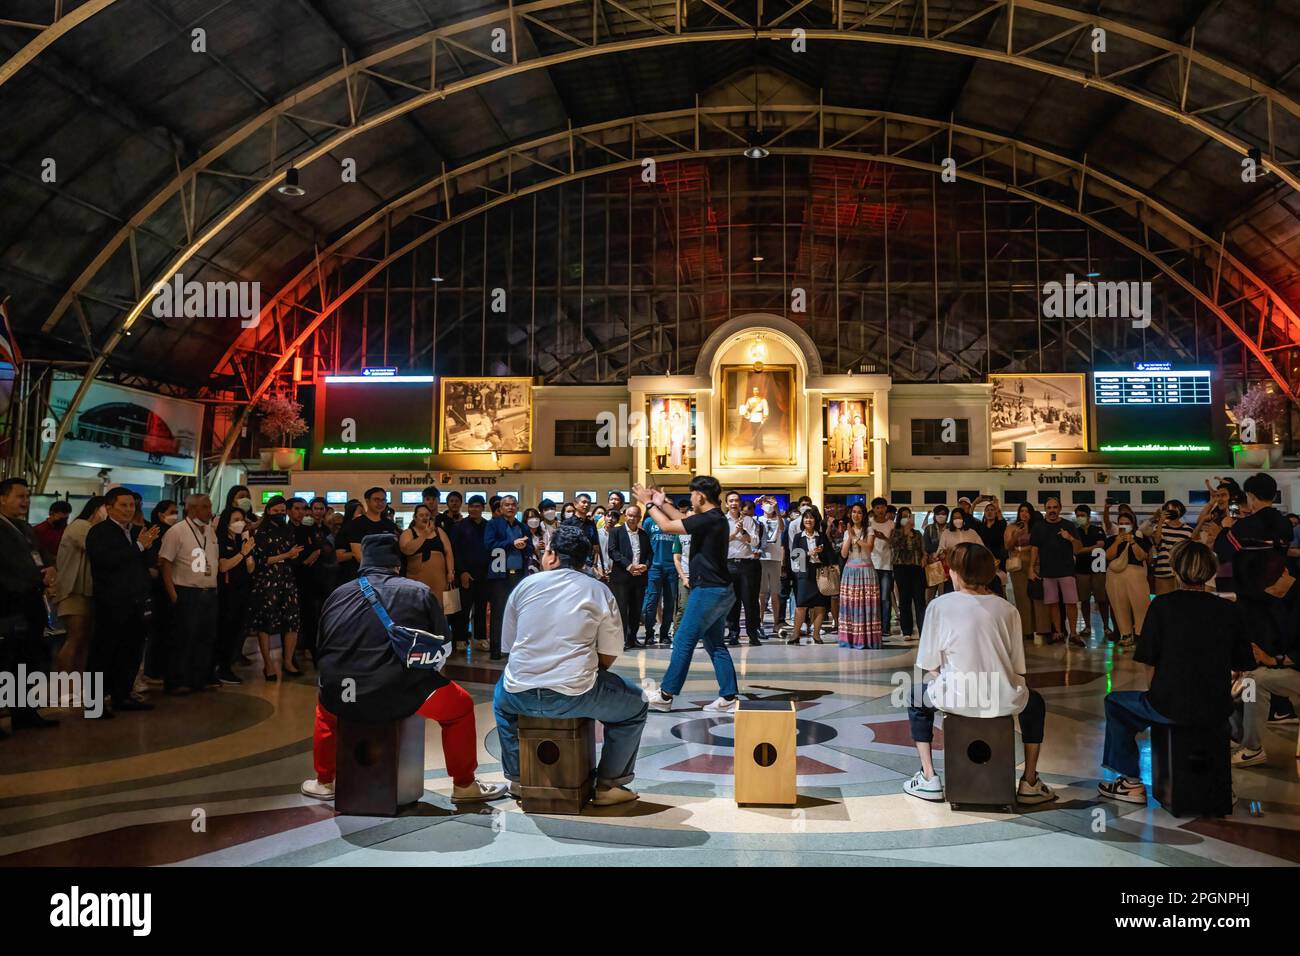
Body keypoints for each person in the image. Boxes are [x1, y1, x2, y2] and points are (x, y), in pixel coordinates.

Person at [302, 534, 507, 804]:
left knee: (326, 713)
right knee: (459, 707)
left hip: (341, 690)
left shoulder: (338, 594)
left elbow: (322, 644)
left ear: (364, 560)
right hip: (401, 689)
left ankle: (324, 780)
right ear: (396, 563)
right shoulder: (417, 591)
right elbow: (443, 644)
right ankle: (464, 784)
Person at [493, 523, 648, 805]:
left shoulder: (525, 586)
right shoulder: (598, 590)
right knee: (636, 705)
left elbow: (510, 647)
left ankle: (518, 778)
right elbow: (610, 654)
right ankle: (609, 785)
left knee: (500, 703)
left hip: (519, 694)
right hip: (577, 693)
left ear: (551, 555)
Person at [1098, 541, 1253, 804]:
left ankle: (1130, 782)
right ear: (1211, 571)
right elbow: (1242, 665)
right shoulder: (1230, 610)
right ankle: (1221, 782)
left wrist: (1157, 695)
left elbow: (1149, 661)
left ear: (1176, 571)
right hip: (1216, 706)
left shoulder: (1162, 606)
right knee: (1224, 711)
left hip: (1169, 703)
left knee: (1115, 704)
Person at [903, 543, 1056, 805]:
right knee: (1035, 704)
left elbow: (930, 664)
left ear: (956, 573)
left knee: (916, 698)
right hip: (1003, 699)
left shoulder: (939, 606)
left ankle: (928, 778)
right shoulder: (1007, 609)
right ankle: (1030, 781)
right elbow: (1018, 667)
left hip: (956, 698)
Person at [636, 477, 741, 714]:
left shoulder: (710, 519)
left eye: (692, 494)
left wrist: (649, 504)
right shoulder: (714, 518)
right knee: (715, 644)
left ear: (700, 497)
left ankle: (665, 695)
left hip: (709, 591)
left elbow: (666, 526)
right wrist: (662, 504)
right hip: (721, 589)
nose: (690, 498)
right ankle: (729, 697)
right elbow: (683, 519)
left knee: (683, 640)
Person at [86, 487, 161, 714]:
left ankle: (122, 694)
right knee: (105, 652)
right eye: (123, 505)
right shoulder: (100, 532)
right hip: (111, 603)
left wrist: (145, 549)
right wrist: (139, 546)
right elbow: (107, 561)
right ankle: (95, 703)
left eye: (132, 505)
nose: (129, 510)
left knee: (131, 651)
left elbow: (146, 562)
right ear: (109, 507)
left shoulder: (138, 531)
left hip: (137, 602)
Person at [0, 478, 60, 731]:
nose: (25, 501)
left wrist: (49, 570)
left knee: (27, 660)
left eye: (27, 496)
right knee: (5, 663)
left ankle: (25, 712)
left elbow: (41, 556)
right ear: (2, 498)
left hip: (31, 602)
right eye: (19, 496)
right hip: (7, 605)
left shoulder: (24, 528)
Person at [1231, 547, 1300, 767]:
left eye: (1270, 586)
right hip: (1290, 670)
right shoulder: (1284, 599)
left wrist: (1275, 660)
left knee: (1253, 680)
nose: (1268, 592)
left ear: (1285, 573)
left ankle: (1251, 746)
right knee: (1248, 679)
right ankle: (1242, 738)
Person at [157, 493, 220, 694]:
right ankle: (176, 680)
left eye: (209, 506)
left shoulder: (210, 531)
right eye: (205, 507)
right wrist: (173, 594)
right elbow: (165, 562)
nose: (209, 510)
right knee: (183, 638)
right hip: (186, 591)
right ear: (192, 508)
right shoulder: (177, 531)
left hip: (208, 591)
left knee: (205, 637)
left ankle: (198, 678)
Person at [250, 495, 304, 680]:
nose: (280, 515)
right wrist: (287, 554)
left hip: (287, 579)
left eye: (282, 511)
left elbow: (290, 553)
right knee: (266, 621)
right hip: (267, 580)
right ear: (268, 511)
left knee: (292, 620)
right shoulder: (261, 532)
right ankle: (268, 664)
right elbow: (260, 560)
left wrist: (293, 555)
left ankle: (288, 661)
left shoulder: (287, 530)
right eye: (276, 511)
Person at [53, 496, 106, 678]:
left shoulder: (90, 528)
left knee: (84, 640)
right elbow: (97, 549)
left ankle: (77, 681)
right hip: (73, 590)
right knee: (75, 638)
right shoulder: (80, 527)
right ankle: (63, 683)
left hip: (85, 591)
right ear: (97, 508)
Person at [483, 493, 532, 660]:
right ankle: (496, 650)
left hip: (519, 574)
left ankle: (515, 649)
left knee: (519, 612)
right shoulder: (493, 525)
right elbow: (489, 545)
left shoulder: (522, 527)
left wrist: (525, 546)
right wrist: (511, 543)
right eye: (507, 505)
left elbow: (529, 547)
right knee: (498, 613)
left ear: (517, 508)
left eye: (513, 505)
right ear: (501, 508)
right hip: (500, 576)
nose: (510, 507)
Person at [1028, 497, 1083, 643]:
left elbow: (1078, 549)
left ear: (1060, 508)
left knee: (1071, 603)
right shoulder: (1038, 527)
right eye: (1049, 507)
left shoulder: (1069, 525)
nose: (1052, 510)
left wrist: (1070, 538)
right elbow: (1034, 548)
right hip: (1047, 572)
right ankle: (1058, 632)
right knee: (1053, 603)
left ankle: (1073, 633)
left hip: (1067, 571)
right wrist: (1031, 568)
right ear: (1045, 509)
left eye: (1055, 507)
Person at [214, 505, 256, 685]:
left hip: (242, 590)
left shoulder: (241, 540)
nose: (239, 523)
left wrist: (247, 552)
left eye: (242, 520)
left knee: (237, 630)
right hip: (227, 592)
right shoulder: (221, 540)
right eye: (235, 520)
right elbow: (223, 566)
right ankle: (221, 667)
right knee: (226, 630)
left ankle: (228, 664)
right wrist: (242, 553)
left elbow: (250, 567)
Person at [140, 499, 178, 687]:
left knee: (165, 629)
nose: (175, 515)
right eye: (172, 511)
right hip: (159, 587)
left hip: (165, 584)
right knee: (159, 629)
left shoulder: (170, 531)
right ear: (162, 514)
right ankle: (153, 670)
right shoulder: (158, 532)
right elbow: (156, 559)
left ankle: (160, 668)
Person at [1104, 508, 1151, 649]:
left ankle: (1140, 634)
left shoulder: (1141, 539)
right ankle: (1125, 634)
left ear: (1133, 524)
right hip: (1115, 576)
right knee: (1118, 605)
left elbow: (1142, 556)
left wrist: (1132, 542)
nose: (1124, 525)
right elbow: (1108, 556)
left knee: (1140, 604)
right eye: (1121, 523)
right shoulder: (1112, 539)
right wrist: (1117, 542)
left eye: (1127, 523)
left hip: (1135, 575)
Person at [607, 503, 651, 649]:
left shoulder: (644, 534)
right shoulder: (616, 532)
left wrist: (645, 565)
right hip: (621, 577)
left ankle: (633, 638)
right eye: (630, 515)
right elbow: (613, 551)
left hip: (639, 577)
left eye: (635, 516)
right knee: (621, 609)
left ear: (639, 518)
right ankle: (622, 639)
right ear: (625, 516)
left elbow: (650, 553)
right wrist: (629, 566)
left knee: (636, 609)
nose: (632, 518)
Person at [837, 503, 881, 649]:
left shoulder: (869, 530)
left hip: (866, 571)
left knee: (866, 606)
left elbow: (868, 549)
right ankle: (850, 639)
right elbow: (843, 554)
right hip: (850, 571)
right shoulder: (847, 532)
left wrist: (855, 537)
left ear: (864, 515)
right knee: (851, 606)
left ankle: (866, 639)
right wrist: (849, 536)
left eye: (859, 512)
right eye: (854, 512)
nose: (856, 515)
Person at [451, 494, 490, 652]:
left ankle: (480, 638)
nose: (474, 509)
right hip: (466, 574)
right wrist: (462, 572)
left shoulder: (488, 526)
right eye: (471, 506)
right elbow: (455, 551)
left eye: (477, 506)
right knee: (464, 608)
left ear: (482, 508)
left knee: (481, 608)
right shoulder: (459, 526)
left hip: (484, 574)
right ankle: (460, 639)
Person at [287, 497, 323, 669]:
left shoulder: (307, 530)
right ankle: (290, 655)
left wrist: (306, 560)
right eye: (297, 508)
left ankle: (314, 652)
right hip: (289, 579)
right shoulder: (284, 530)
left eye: (303, 509)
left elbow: (317, 549)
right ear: (289, 510)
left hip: (308, 579)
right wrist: (301, 561)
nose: (300, 512)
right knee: (290, 621)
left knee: (310, 618)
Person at [723, 491, 763, 646]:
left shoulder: (749, 520)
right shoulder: (722, 521)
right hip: (729, 564)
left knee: (750, 601)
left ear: (740, 503)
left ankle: (753, 634)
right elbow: (719, 542)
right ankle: (733, 634)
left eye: (736, 501)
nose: (734, 503)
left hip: (747, 564)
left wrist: (744, 532)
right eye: (731, 501)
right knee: (732, 602)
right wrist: (735, 533)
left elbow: (755, 542)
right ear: (726, 504)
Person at [788, 506, 832, 645]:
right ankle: (796, 634)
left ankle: (816, 634)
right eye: (806, 517)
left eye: (811, 517)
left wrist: (820, 553)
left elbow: (830, 556)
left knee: (820, 605)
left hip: (820, 573)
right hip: (804, 573)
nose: (808, 520)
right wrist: (808, 553)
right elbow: (795, 557)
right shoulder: (798, 537)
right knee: (801, 605)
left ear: (815, 520)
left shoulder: (822, 536)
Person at [1005, 503, 1047, 639]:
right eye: (1022, 511)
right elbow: (1007, 546)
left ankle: (1042, 628)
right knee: (1021, 596)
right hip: (1018, 565)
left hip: (1036, 563)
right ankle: (1026, 630)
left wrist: (1022, 548)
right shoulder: (1012, 527)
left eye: (1027, 511)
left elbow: (1040, 544)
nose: (1024, 514)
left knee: (1038, 596)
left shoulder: (1037, 527)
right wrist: (1016, 535)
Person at [400, 503, 455, 607]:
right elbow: (407, 550)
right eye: (421, 515)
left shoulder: (439, 531)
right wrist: (425, 534)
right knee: (419, 611)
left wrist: (450, 571)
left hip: (439, 580)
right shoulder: (408, 533)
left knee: (439, 611)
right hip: (417, 580)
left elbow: (448, 552)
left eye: (427, 515)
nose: (424, 518)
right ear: (415, 517)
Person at [640, 501, 679, 647]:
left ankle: (664, 634)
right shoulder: (649, 521)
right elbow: (643, 543)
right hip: (654, 567)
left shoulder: (675, 523)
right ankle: (649, 633)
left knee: (669, 603)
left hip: (672, 568)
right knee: (651, 603)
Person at [1070, 505, 1108, 641]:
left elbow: (1101, 545)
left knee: (1102, 599)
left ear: (1088, 516)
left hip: (1098, 569)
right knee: (1084, 600)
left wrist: (1083, 549)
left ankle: (1106, 626)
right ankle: (1087, 626)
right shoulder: (1075, 532)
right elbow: (1076, 551)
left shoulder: (1098, 530)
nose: (1080, 518)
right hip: (1081, 571)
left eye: (1082, 515)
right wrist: (1091, 548)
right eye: (1078, 515)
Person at [890, 506, 926, 642]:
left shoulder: (917, 534)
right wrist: (904, 532)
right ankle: (906, 630)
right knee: (904, 600)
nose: (907, 519)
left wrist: (924, 558)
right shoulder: (895, 532)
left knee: (919, 600)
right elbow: (894, 546)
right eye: (904, 516)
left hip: (917, 568)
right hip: (901, 568)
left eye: (908, 516)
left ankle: (923, 630)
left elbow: (923, 549)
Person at [1147, 500, 1194, 598]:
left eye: (1174, 509)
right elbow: (1157, 542)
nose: (1171, 511)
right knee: (1163, 602)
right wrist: (1160, 521)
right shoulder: (1160, 527)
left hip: (1181, 572)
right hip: (1162, 570)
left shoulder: (1188, 530)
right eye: (1168, 509)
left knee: (1180, 602)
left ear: (1180, 510)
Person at [755, 495, 785, 636]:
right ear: (761, 506)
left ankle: (775, 623)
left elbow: (782, 527)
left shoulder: (779, 519)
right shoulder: (758, 520)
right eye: (766, 503)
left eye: (770, 503)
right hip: (761, 558)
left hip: (775, 559)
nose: (768, 505)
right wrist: (756, 504)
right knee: (761, 593)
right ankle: (759, 622)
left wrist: (777, 508)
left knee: (775, 593)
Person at [347, 487, 399, 565]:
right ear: (367, 501)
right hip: (367, 570)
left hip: (387, 570)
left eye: (383, 500)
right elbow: (358, 554)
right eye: (376, 500)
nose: (380, 503)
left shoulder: (389, 524)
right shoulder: (357, 524)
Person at [866, 497, 895, 636]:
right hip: (870, 564)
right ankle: (872, 626)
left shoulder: (891, 524)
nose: (880, 510)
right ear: (873, 509)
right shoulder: (869, 525)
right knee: (871, 598)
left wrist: (884, 537)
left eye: (882, 507)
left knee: (884, 598)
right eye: (877, 507)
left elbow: (896, 544)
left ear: (886, 508)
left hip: (886, 565)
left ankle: (885, 627)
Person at [936, 506, 982, 594]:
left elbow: (981, 547)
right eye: (954, 518)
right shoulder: (946, 533)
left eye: (959, 517)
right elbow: (940, 549)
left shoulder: (972, 532)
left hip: (970, 570)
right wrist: (942, 554)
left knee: (969, 594)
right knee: (951, 594)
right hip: (952, 569)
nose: (957, 520)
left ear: (964, 518)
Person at [922, 505, 949, 604]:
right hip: (933, 562)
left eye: (943, 514)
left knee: (944, 593)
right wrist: (932, 555)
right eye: (938, 514)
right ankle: (929, 613)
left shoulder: (950, 527)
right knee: (930, 592)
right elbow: (925, 545)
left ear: (947, 515)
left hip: (947, 563)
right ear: (935, 515)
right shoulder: (929, 528)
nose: (941, 516)